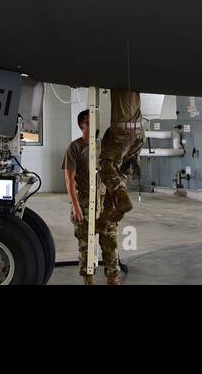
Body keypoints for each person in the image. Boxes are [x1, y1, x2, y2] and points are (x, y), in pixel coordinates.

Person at [63, 109, 120, 285]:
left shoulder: (103, 147)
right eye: (89, 121)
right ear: (82, 125)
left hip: (105, 204)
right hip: (85, 202)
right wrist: (76, 205)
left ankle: (113, 279)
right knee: (86, 247)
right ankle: (89, 280)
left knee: (110, 243)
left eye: (94, 121)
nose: (92, 124)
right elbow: (69, 179)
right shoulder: (75, 147)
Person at [99, 89, 144, 222]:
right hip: (138, 133)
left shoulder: (118, 73)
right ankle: (107, 216)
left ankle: (122, 198)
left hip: (123, 133)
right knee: (119, 172)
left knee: (107, 166)